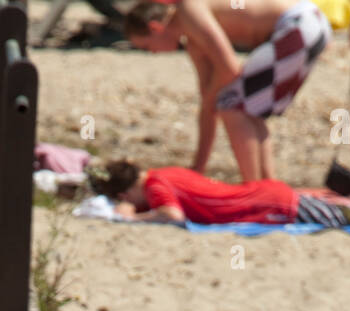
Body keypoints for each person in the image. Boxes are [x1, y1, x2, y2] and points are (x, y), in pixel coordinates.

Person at [124, 0, 332, 181]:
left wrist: (213, 99)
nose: (151, 53)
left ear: (155, 28)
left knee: (232, 104)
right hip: (308, 25)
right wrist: (198, 167)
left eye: (146, 46)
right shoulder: (193, 41)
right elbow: (207, 106)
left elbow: (230, 68)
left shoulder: (188, 10)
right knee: (245, 107)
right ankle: (267, 185)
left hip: (301, 24)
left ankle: (255, 188)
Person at [96, 157, 350, 227]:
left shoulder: (155, 186)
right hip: (267, 193)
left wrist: (132, 217)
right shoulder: (165, 172)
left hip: (272, 206)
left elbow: (171, 216)